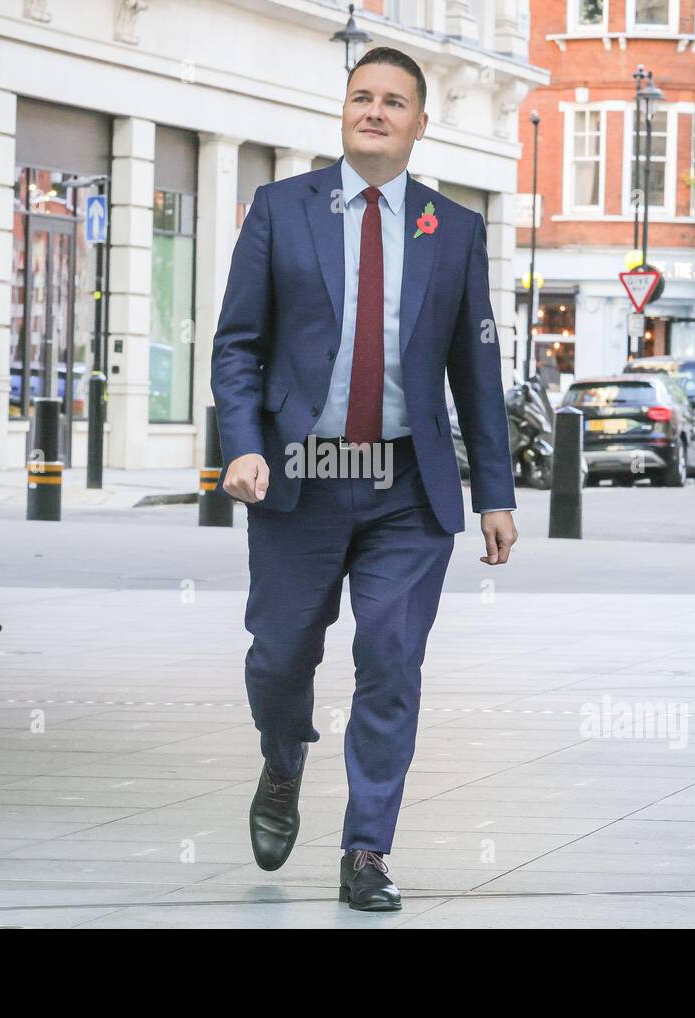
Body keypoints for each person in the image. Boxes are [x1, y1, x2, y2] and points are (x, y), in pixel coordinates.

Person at [210, 47, 517, 911]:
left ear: (421, 121)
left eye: (393, 102)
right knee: (279, 659)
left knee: (390, 657)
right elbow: (237, 346)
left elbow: (476, 370)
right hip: (298, 479)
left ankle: (367, 850)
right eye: (361, 97)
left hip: (405, 490)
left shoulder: (452, 230)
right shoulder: (280, 210)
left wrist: (494, 492)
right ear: (344, 112)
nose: (374, 111)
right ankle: (282, 759)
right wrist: (243, 444)